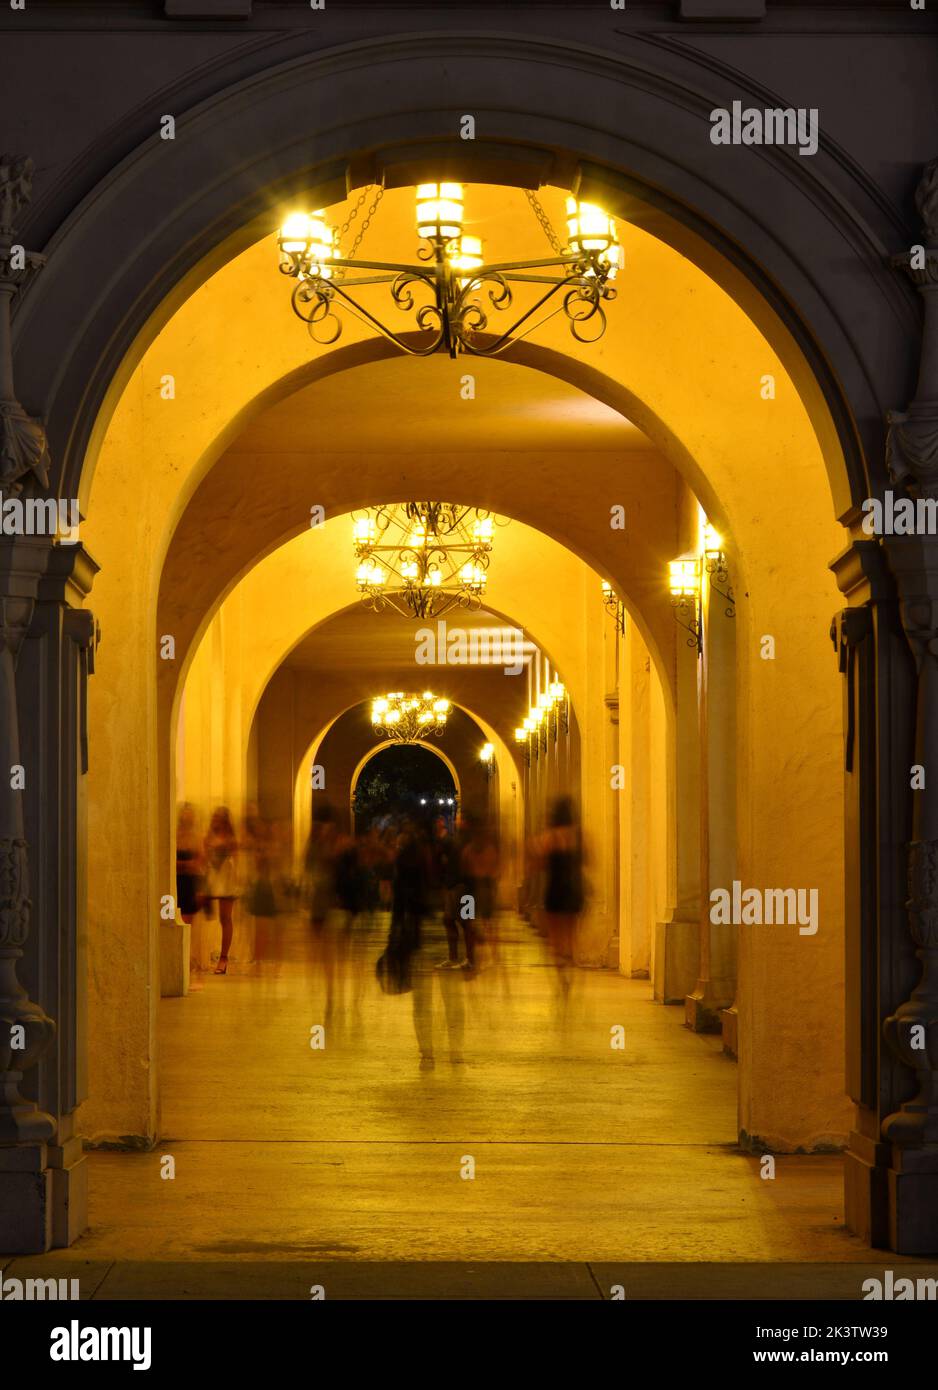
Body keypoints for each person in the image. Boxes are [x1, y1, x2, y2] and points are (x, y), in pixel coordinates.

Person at [537, 796, 584, 1001]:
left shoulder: (549, 837)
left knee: (554, 938)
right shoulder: (577, 836)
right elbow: (588, 859)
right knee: (571, 935)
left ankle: (562, 978)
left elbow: (540, 863)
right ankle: (571, 966)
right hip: (574, 889)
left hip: (555, 889)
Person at [203, 806, 240, 975]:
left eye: (220, 817)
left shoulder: (231, 838)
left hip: (227, 876)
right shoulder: (208, 837)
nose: (216, 820)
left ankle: (223, 958)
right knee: (207, 915)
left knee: (225, 918)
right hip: (213, 878)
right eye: (215, 816)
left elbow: (236, 860)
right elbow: (204, 859)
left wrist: (238, 879)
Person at [176, 803, 204, 973]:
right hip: (176, 882)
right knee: (171, 916)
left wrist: (185, 865)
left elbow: (200, 861)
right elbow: (170, 860)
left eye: (190, 814)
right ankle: (177, 956)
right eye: (186, 814)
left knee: (189, 923)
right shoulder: (175, 835)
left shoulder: (196, 836)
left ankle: (187, 959)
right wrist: (184, 865)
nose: (188, 817)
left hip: (190, 882)